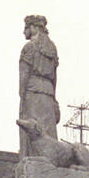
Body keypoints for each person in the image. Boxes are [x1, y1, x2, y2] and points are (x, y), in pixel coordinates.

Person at [19, 15, 60, 157]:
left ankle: (33, 159)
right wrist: (54, 99)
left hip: (32, 92)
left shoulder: (29, 47)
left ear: (35, 28)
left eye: (26, 28)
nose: (24, 32)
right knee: (48, 131)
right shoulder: (52, 49)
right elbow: (54, 77)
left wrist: (22, 94)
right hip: (48, 93)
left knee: (31, 129)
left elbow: (24, 74)